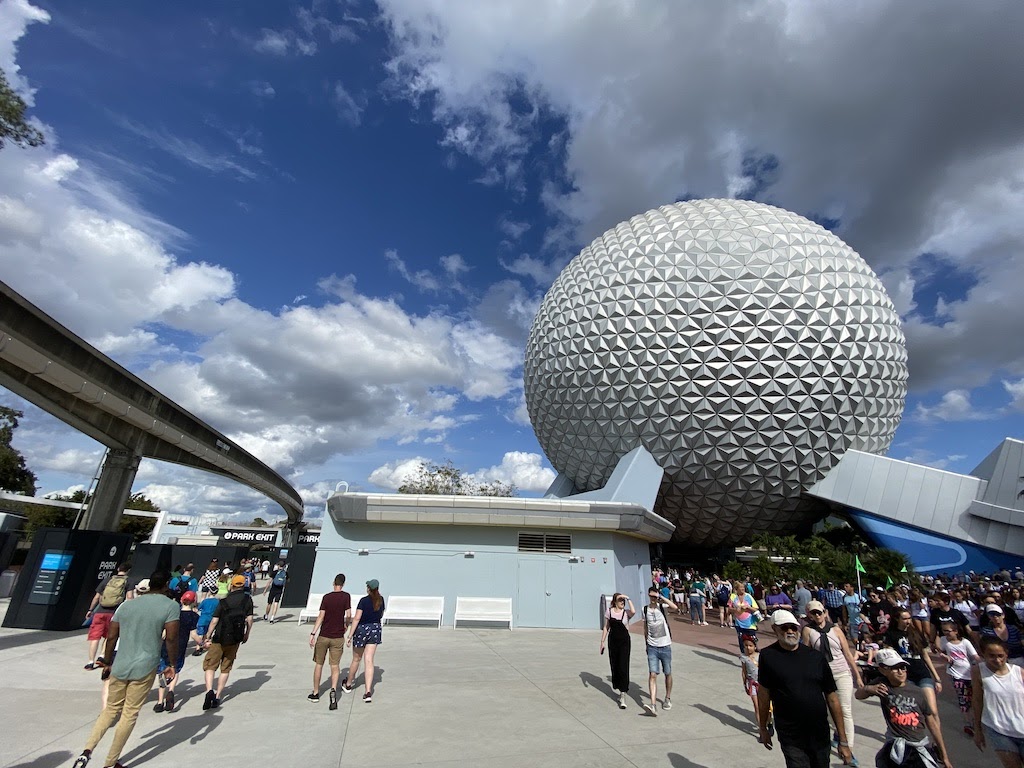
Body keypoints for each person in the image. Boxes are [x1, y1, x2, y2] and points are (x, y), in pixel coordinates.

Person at [72, 570, 179, 768]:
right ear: (165, 585)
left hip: (121, 663)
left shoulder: (126, 605)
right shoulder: (170, 606)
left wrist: (106, 661)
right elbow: (171, 638)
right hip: (145, 665)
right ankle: (111, 762)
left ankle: (86, 751)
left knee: (110, 710)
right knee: (129, 713)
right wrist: (172, 664)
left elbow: (111, 636)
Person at [757, 609, 853, 768]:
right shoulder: (768, 656)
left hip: (819, 734)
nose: (790, 631)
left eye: (793, 627)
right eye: (784, 627)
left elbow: (832, 698)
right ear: (775, 629)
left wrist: (843, 740)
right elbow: (763, 695)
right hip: (791, 735)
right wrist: (763, 727)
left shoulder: (816, 658)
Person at [856, 647, 953, 768]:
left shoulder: (918, 692)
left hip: (918, 746)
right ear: (882, 670)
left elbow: (932, 723)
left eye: (903, 667)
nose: (900, 672)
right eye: (894, 668)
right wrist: (869, 688)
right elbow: (858, 695)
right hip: (896, 746)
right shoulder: (882, 684)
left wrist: (944, 756)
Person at [802, 599, 863, 765]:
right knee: (829, 712)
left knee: (845, 711)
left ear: (824, 612)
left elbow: (847, 653)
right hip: (822, 675)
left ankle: (848, 749)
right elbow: (806, 655)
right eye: (813, 613)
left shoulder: (835, 630)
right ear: (809, 615)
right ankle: (837, 731)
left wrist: (857, 675)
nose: (817, 615)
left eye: (819, 612)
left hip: (841, 672)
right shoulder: (808, 631)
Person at [201, 574, 254, 710]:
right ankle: (218, 696)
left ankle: (209, 691)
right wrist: (246, 634)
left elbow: (214, 621)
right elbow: (249, 619)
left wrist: (207, 636)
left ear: (232, 585)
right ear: (243, 585)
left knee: (210, 665)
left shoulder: (224, 601)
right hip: (235, 639)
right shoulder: (247, 600)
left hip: (219, 637)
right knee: (226, 667)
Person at [972, 636, 1024, 765]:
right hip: (998, 729)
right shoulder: (978, 671)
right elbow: (977, 700)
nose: (997, 660)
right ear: (983, 654)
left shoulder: (1019, 673)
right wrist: (977, 729)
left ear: (1006, 654)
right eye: (991, 656)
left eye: (1001, 655)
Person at [308, 573, 353, 710]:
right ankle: (333, 689)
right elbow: (349, 614)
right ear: (343, 584)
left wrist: (313, 633)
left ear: (333, 583)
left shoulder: (326, 597)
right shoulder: (346, 596)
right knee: (335, 665)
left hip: (324, 635)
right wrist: (346, 625)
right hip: (337, 637)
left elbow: (321, 616)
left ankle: (315, 693)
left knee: (319, 664)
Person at [154, 590, 201, 713]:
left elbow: (164, 633)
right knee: (175, 668)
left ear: (181, 600)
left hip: (167, 644)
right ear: (194, 601)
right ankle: (171, 691)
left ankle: (160, 701)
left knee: (162, 669)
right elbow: (194, 634)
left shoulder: (174, 613)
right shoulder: (194, 616)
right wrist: (202, 643)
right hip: (180, 647)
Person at [344, 579, 385, 703]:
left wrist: (350, 635)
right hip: (375, 629)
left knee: (357, 658)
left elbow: (356, 619)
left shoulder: (363, 601)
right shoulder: (381, 600)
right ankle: (368, 692)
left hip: (362, 629)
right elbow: (381, 615)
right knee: (369, 660)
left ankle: (348, 684)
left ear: (368, 588)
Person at [84, 563, 132, 669]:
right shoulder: (128, 581)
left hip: (100, 612)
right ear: (128, 570)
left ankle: (90, 662)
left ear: (118, 569)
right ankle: (102, 656)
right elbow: (129, 597)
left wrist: (90, 610)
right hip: (115, 613)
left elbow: (96, 597)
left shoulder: (107, 580)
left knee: (95, 637)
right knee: (109, 635)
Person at [937, 621, 980, 737]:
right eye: (944, 631)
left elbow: (974, 656)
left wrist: (983, 664)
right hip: (956, 675)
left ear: (955, 631)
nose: (946, 634)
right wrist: (944, 657)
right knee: (963, 699)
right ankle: (968, 723)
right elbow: (940, 652)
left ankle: (977, 721)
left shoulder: (965, 642)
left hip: (969, 674)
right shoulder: (944, 641)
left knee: (974, 698)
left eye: (948, 631)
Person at [641, 584, 677, 715]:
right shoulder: (645, 609)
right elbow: (645, 627)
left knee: (667, 672)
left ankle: (667, 698)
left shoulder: (662, 607)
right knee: (652, 674)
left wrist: (661, 597)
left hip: (665, 645)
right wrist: (646, 643)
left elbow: (675, 607)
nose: (652, 598)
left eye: (654, 596)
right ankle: (653, 704)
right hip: (652, 646)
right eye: (650, 596)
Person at [599, 592, 636, 709]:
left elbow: (633, 611)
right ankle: (619, 687)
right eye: (620, 600)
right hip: (613, 641)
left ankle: (623, 694)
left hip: (624, 642)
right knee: (615, 665)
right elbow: (606, 627)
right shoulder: (609, 612)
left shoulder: (626, 613)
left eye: (623, 601)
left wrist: (628, 597)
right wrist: (602, 642)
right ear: (615, 601)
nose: (622, 602)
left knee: (623, 666)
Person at [739, 634, 765, 738]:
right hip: (752, 684)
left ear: (755, 646)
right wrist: (745, 684)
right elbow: (744, 672)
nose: (748, 648)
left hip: (763, 684)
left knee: (766, 707)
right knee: (757, 706)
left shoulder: (760, 656)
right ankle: (761, 730)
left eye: (750, 645)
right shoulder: (744, 658)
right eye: (745, 645)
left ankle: (768, 722)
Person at [730, 581, 758, 652]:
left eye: (743, 587)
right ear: (737, 589)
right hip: (738, 623)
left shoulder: (748, 596)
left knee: (752, 640)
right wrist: (737, 609)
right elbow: (729, 609)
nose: (743, 589)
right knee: (741, 640)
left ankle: (754, 655)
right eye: (741, 588)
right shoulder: (733, 596)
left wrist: (748, 607)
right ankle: (744, 655)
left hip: (750, 623)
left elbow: (756, 608)